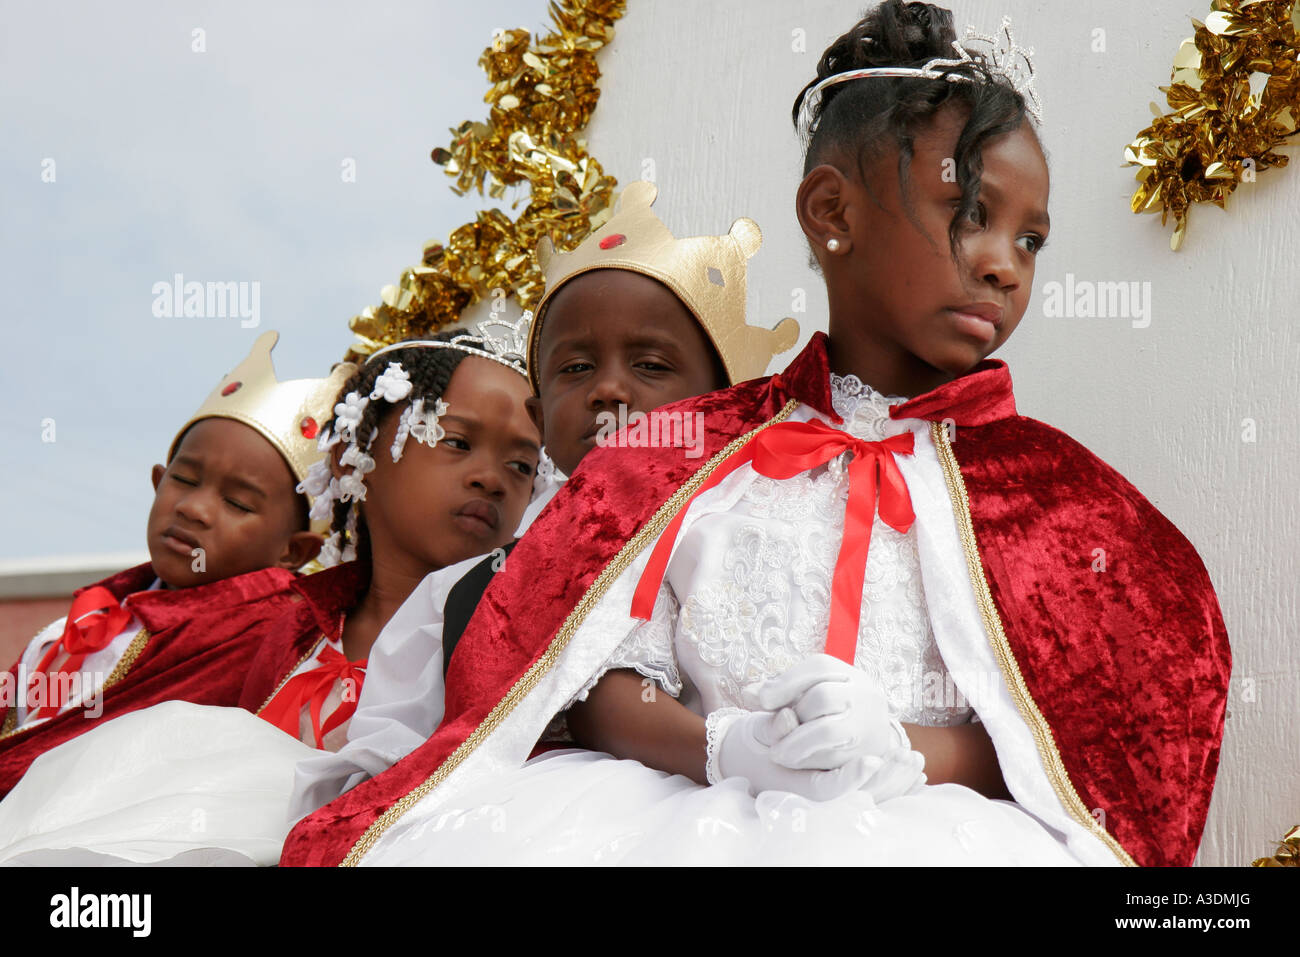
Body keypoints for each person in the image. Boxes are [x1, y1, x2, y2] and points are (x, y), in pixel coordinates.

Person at [283, 1, 1230, 868]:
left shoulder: (1063, 501)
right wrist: (720, 744)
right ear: (832, 214)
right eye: (970, 213)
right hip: (664, 813)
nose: (1002, 266)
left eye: (1031, 239)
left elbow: (1094, 732)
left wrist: (906, 750)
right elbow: (591, 670)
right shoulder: (678, 453)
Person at [286, 180, 799, 819]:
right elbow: (383, 753)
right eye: (576, 368)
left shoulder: (764, 537)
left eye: (651, 366)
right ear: (542, 416)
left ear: (726, 403)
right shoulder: (466, 590)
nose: (609, 388)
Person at [0, 323, 540, 865]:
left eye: (521, 466)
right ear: (355, 460)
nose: (491, 479)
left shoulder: (518, 645)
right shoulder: (285, 626)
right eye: (457, 442)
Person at [0, 331, 348, 798]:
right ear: (157, 482)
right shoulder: (68, 634)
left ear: (294, 552)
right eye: (184, 480)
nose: (194, 509)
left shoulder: (295, 645)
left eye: (238, 504)